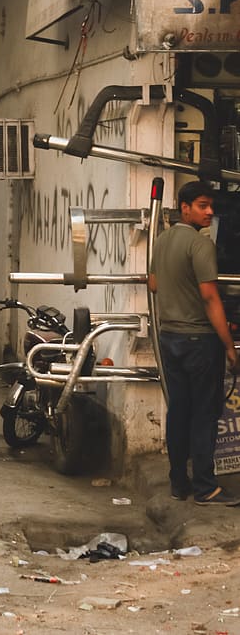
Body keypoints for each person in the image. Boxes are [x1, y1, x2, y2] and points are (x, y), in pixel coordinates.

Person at [148, 180, 239, 505]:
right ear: (184, 207)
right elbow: (210, 296)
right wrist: (228, 345)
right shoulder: (201, 246)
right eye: (202, 205)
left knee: (179, 411)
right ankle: (205, 487)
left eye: (210, 206)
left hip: (170, 337)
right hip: (199, 341)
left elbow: (154, 284)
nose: (210, 211)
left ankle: (178, 482)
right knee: (203, 414)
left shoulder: (161, 240)